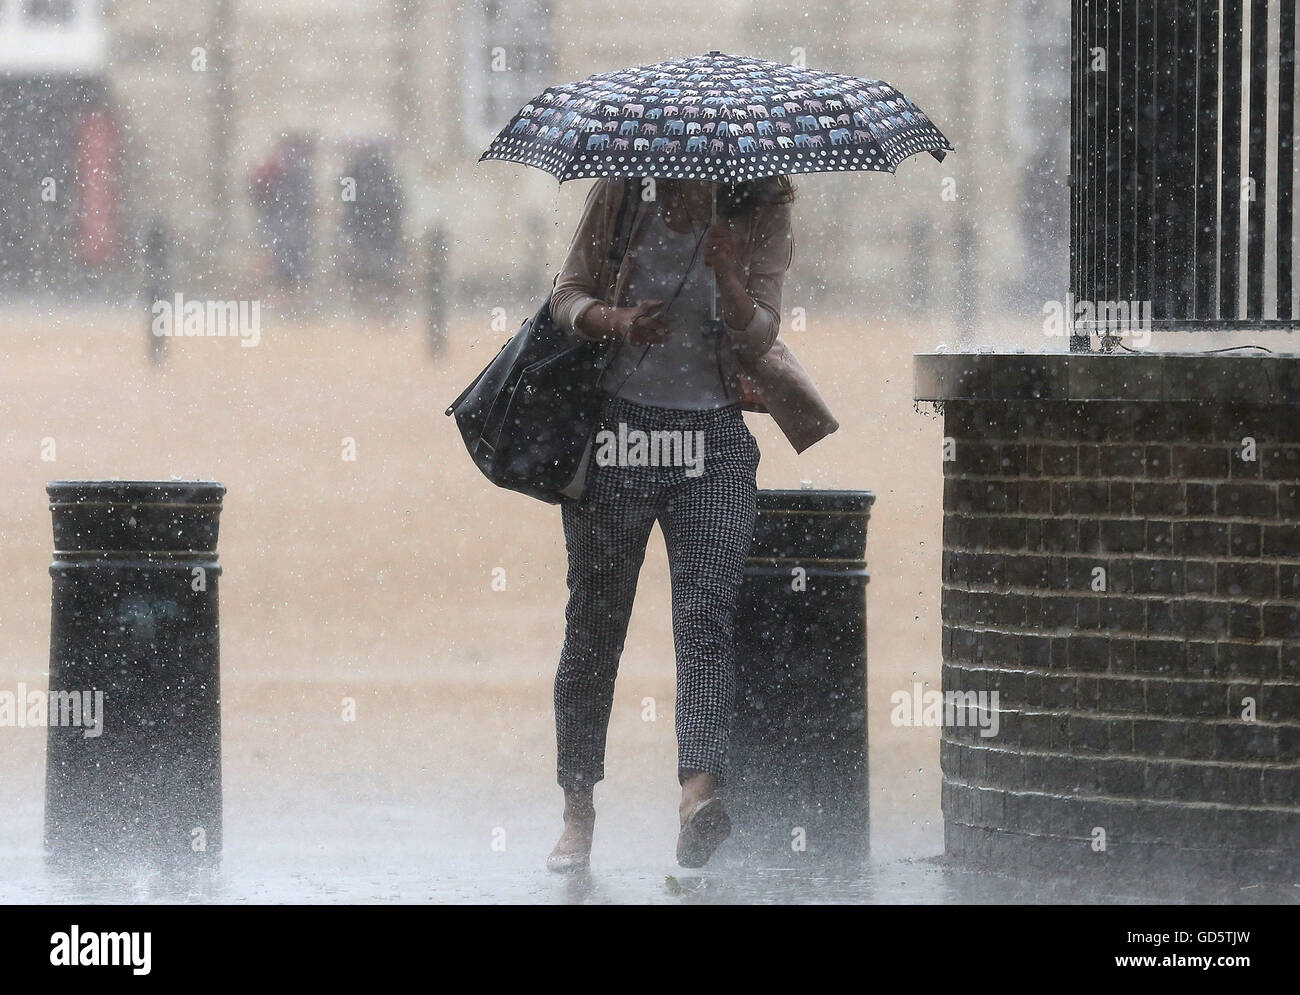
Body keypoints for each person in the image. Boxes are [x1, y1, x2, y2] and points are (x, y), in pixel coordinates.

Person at [545, 175, 839, 870]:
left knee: (705, 618)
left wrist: (729, 273)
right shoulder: (622, 192)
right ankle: (577, 810)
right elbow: (566, 296)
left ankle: (698, 795)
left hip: (714, 443)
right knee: (594, 626)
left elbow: (764, 327)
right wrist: (618, 321)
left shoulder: (763, 205)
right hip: (619, 436)